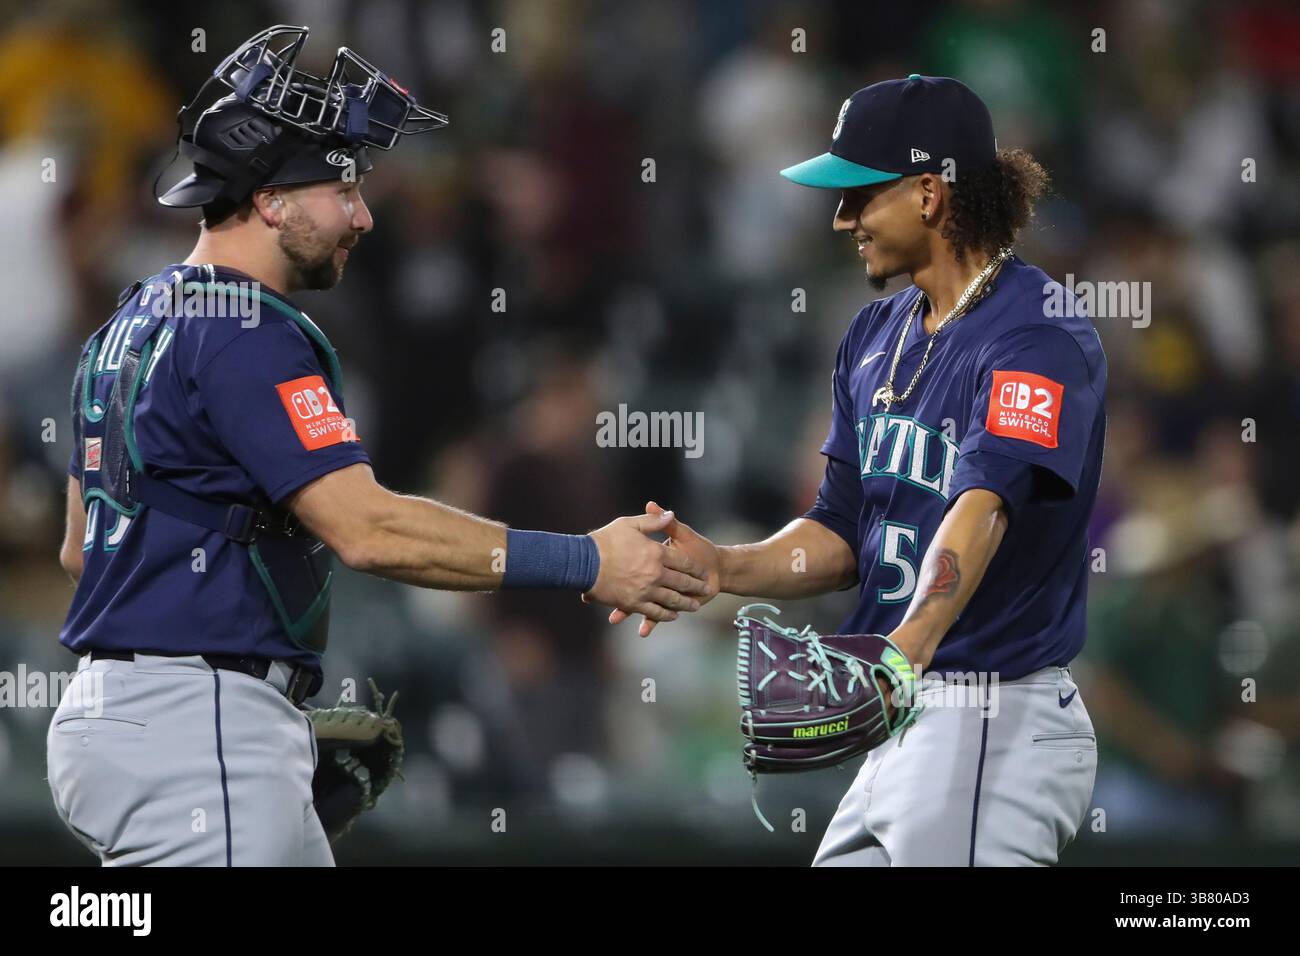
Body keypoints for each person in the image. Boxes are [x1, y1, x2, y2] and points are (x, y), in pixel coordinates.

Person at [47, 26, 707, 867]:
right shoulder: (246, 330)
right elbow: (368, 530)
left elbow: (80, 552)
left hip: (129, 719)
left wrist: (254, 703)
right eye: (339, 187)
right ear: (270, 198)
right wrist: (587, 560)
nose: (362, 213)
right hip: (193, 729)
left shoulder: (124, 326)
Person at [611, 75, 1108, 866]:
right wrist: (724, 566)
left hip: (989, 716)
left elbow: (984, 506)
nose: (842, 217)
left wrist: (909, 643)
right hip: (908, 722)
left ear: (928, 194)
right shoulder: (876, 333)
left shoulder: (1036, 336)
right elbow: (843, 530)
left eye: (859, 195)